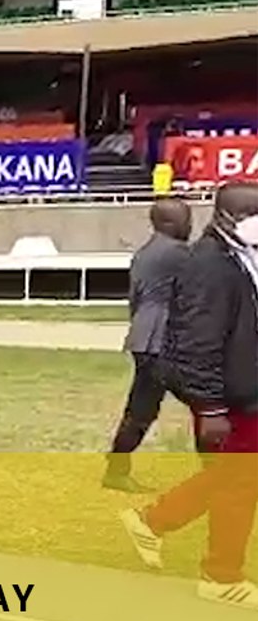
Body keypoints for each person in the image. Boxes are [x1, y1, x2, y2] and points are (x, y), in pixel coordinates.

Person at [121, 182, 258, 609]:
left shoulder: (240, 257)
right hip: (231, 397)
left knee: (238, 478)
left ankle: (155, 521)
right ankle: (218, 573)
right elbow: (197, 342)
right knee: (238, 480)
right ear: (228, 216)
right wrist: (211, 406)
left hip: (244, 388)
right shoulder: (209, 265)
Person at [104, 198, 193, 492]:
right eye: (186, 219)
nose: (190, 225)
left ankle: (116, 470)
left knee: (141, 406)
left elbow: (135, 301)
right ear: (169, 223)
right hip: (166, 340)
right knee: (212, 404)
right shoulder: (180, 254)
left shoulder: (143, 254)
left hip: (145, 338)